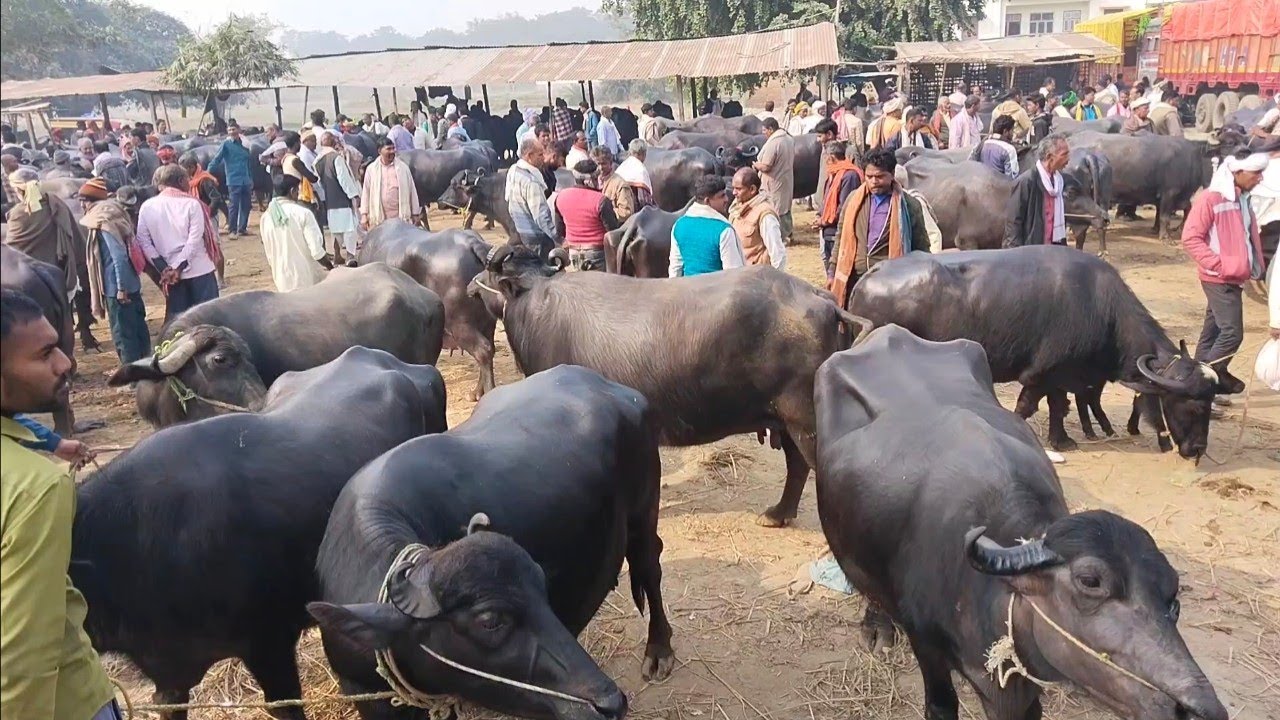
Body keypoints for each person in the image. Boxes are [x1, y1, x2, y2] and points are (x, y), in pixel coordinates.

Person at [1, 288, 121, 720]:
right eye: (45, 353)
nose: (66, 363)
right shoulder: (37, 491)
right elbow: (26, 651)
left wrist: (53, 441)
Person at [1182, 151, 1268, 394]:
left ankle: (1196, 376)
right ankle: (1202, 383)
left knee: (1213, 331)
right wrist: (1220, 265)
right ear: (1238, 172)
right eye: (1256, 173)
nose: (1260, 178)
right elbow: (1191, 237)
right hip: (1220, 278)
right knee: (1232, 334)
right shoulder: (1212, 199)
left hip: (1231, 276)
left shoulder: (1242, 198)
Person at [828, 148, 929, 308]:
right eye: (869, 177)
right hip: (855, 278)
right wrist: (832, 272)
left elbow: (921, 246)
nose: (874, 181)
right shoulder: (853, 200)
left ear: (892, 175)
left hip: (890, 282)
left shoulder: (909, 206)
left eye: (880, 176)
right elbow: (841, 237)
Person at [77, 178, 151, 364]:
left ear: (92, 200)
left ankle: (133, 377)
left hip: (116, 288)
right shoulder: (116, 212)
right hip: (131, 283)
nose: (81, 204)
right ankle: (146, 369)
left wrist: (120, 287)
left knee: (123, 333)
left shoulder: (103, 221)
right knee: (138, 328)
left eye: (84, 200)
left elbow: (118, 256)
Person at [137, 164, 220, 320]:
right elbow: (194, 240)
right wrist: (178, 267)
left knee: (180, 325)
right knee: (210, 320)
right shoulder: (192, 204)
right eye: (187, 179)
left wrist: (165, 268)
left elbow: (143, 241)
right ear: (181, 181)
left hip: (171, 277)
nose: (189, 183)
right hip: (199, 270)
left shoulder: (147, 207)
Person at [260, 175, 333, 293]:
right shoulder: (303, 213)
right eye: (298, 190)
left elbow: (269, 255)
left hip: (281, 279)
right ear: (292, 191)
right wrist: (331, 269)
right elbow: (317, 252)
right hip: (306, 279)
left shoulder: (266, 217)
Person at [669, 175, 745, 277]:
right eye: (722, 196)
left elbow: (675, 270)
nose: (727, 199)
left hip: (687, 291)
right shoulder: (723, 230)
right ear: (707, 201)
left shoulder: (679, 226)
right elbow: (734, 275)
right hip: (717, 291)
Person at [1004, 134, 1072, 248]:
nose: (1068, 159)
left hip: (1053, 247)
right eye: (1064, 154)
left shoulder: (1058, 181)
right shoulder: (1026, 182)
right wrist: (1014, 253)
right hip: (1031, 249)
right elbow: (1013, 221)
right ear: (1050, 157)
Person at [553, 159, 619, 272]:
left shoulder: (560, 197)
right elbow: (613, 232)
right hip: (597, 254)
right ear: (590, 180)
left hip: (572, 253)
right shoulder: (601, 200)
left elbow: (559, 231)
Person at [814, 141, 862, 282]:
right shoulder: (834, 174)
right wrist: (820, 216)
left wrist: (824, 221)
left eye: (826, 158)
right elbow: (828, 200)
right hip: (828, 230)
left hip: (837, 231)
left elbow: (844, 207)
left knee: (837, 270)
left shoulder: (849, 175)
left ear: (831, 158)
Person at [315, 131, 362, 264]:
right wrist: (353, 195)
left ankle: (337, 255)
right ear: (333, 142)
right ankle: (350, 256)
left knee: (335, 230)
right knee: (349, 229)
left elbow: (319, 182)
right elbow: (344, 180)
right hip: (342, 199)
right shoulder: (336, 158)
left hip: (330, 200)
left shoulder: (317, 160)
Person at [506, 137, 558, 256]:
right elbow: (541, 216)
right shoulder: (532, 182)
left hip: (521, 231)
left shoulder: (513, 170)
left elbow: (508, 200)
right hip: (537, 238)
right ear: (529, 156)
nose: (544, 159)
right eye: (540, 155)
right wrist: (557, 238)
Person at [728, 167, 787, 270]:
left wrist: (776, 282)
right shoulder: (735, 211)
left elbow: (777, 253)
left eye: (738, 189)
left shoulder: (765, 214)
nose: (734, 193)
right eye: (733, 188)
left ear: (752, 189)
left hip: (758, 278)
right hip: (740, 275)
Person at [360, 139, 419, 232]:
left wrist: (415, 213)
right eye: (388, 149)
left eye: (393, 148)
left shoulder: (403, 168)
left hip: (400, 218)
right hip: (379, 218)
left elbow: (412, 191)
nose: (392, 151)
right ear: (379, 151)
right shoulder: (371, 170)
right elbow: (366, 193)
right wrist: (364, 215)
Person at [205, 123, 252, 239]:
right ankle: (232, 230)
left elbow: (249, 162)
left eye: (234, 129)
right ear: (227, 131)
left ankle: (242, 228)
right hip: (233, 179)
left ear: (239, 130)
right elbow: (217, 159)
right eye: (230, 130)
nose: (232, 131)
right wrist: (207, 173)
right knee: (234, 205)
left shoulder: (245, 144)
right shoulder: (226, 144)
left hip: (245, 179)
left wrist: (251, 178)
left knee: (246, 205)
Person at [754, 117, 795, 244]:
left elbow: (766, 166)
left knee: (776, 208)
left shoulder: (774, 143)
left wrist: (756, 165)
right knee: (785, 208)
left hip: (774, 180)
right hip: (786, 178)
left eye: (764, 130)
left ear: (771, 129)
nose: (763, 133)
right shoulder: (789, 139)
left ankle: (780, 237)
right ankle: (789, 233)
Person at [179, 155, 227, 235]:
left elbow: (216, 198)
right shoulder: (191, 180)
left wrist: (207, 212)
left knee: (213, 239)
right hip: (198, 216)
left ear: (191, 168)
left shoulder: (205, 180)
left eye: (184, 170)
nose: (183, 173)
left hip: (209, 217)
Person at [593, 146, 636, 225]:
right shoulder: (593, 181)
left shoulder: (620, 185)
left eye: (604, 164)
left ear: (611, 162)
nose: (600, 168)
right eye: (598, 164)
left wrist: (606, 212)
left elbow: (626, 213)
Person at [616, 139, 655, 209]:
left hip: (618, 206)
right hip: (631, 209)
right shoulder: (641, 170)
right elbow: (643, 199)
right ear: (643, 154)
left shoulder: (622, 166)